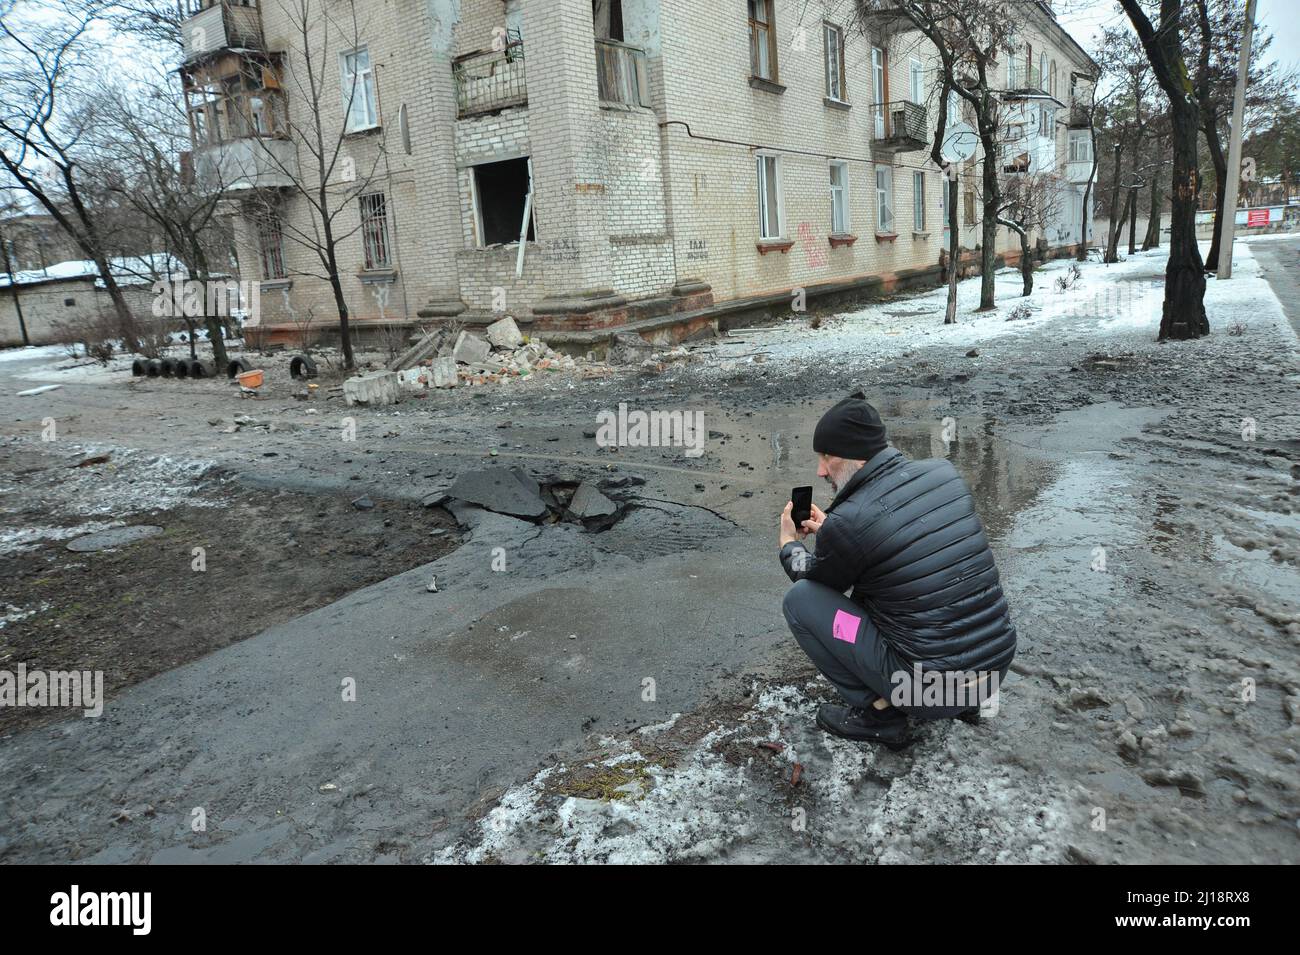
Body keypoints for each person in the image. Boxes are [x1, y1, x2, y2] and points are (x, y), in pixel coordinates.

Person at [778, 392, 1016, 749]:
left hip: (926, 690)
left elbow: (815, 582)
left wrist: (788, 545)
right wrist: (836, 532)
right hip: (993, 671)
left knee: (801, 601)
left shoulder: (851, 523)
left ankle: (880, 716)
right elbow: (899, 541)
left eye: (827, 456)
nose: (820, 470)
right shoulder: (943, 474)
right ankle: (966, 702)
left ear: (856, 455)